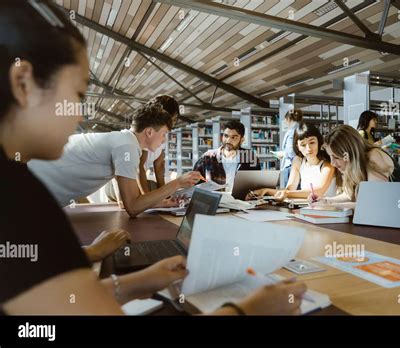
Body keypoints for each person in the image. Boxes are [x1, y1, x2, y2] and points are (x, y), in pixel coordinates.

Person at [0, 0, 306, 315]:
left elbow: (57, 301)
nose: (77, 114)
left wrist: (139, 280)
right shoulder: (17, 199)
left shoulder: (17, 185)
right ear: (23, 83)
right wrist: (250, 311)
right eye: (78, 94)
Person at [28, 98, 203, 217]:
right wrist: (177, 183)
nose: (164, 140)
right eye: (164, 134)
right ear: (149, 131)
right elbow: (132, 208)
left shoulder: (124, 141)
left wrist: (164, 203)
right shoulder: (127, 147)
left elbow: (124, 202)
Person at [310, 125, 399, 206]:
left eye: (336, 157)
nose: (332, 163)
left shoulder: (374, 156)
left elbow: (373, 203)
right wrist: (325, 200)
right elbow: (349, 195)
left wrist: (328, 205)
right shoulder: (354, 165)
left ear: (350, 153)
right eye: (330, 157)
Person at [249, 122, 337, 202]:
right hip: (308, 210)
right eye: (303, 144)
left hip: (327, 212)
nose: (308, 148)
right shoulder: (298, 161)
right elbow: (289, 190)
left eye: (312, 142)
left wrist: (287, 193)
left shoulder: (328, 164)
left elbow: (319, 191)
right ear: (297, 146)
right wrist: (265, 190)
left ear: (319, 142)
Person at [193, 120, 260, 192]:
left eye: (233, 137)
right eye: (226, 136)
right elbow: (194, 182)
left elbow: (257, 183)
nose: (228, 140)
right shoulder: (208, 157)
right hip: (214, 201)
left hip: (241, 202)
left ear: (242, 140)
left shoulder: (250, 158)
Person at [279, 109, 303, 187]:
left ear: (288, 119)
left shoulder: (292, 131)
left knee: (290, 191)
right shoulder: (301, 129)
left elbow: (290, 151)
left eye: (285, 120)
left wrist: (282, 154)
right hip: (299, 163)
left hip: (291, 166)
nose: (285, 122)